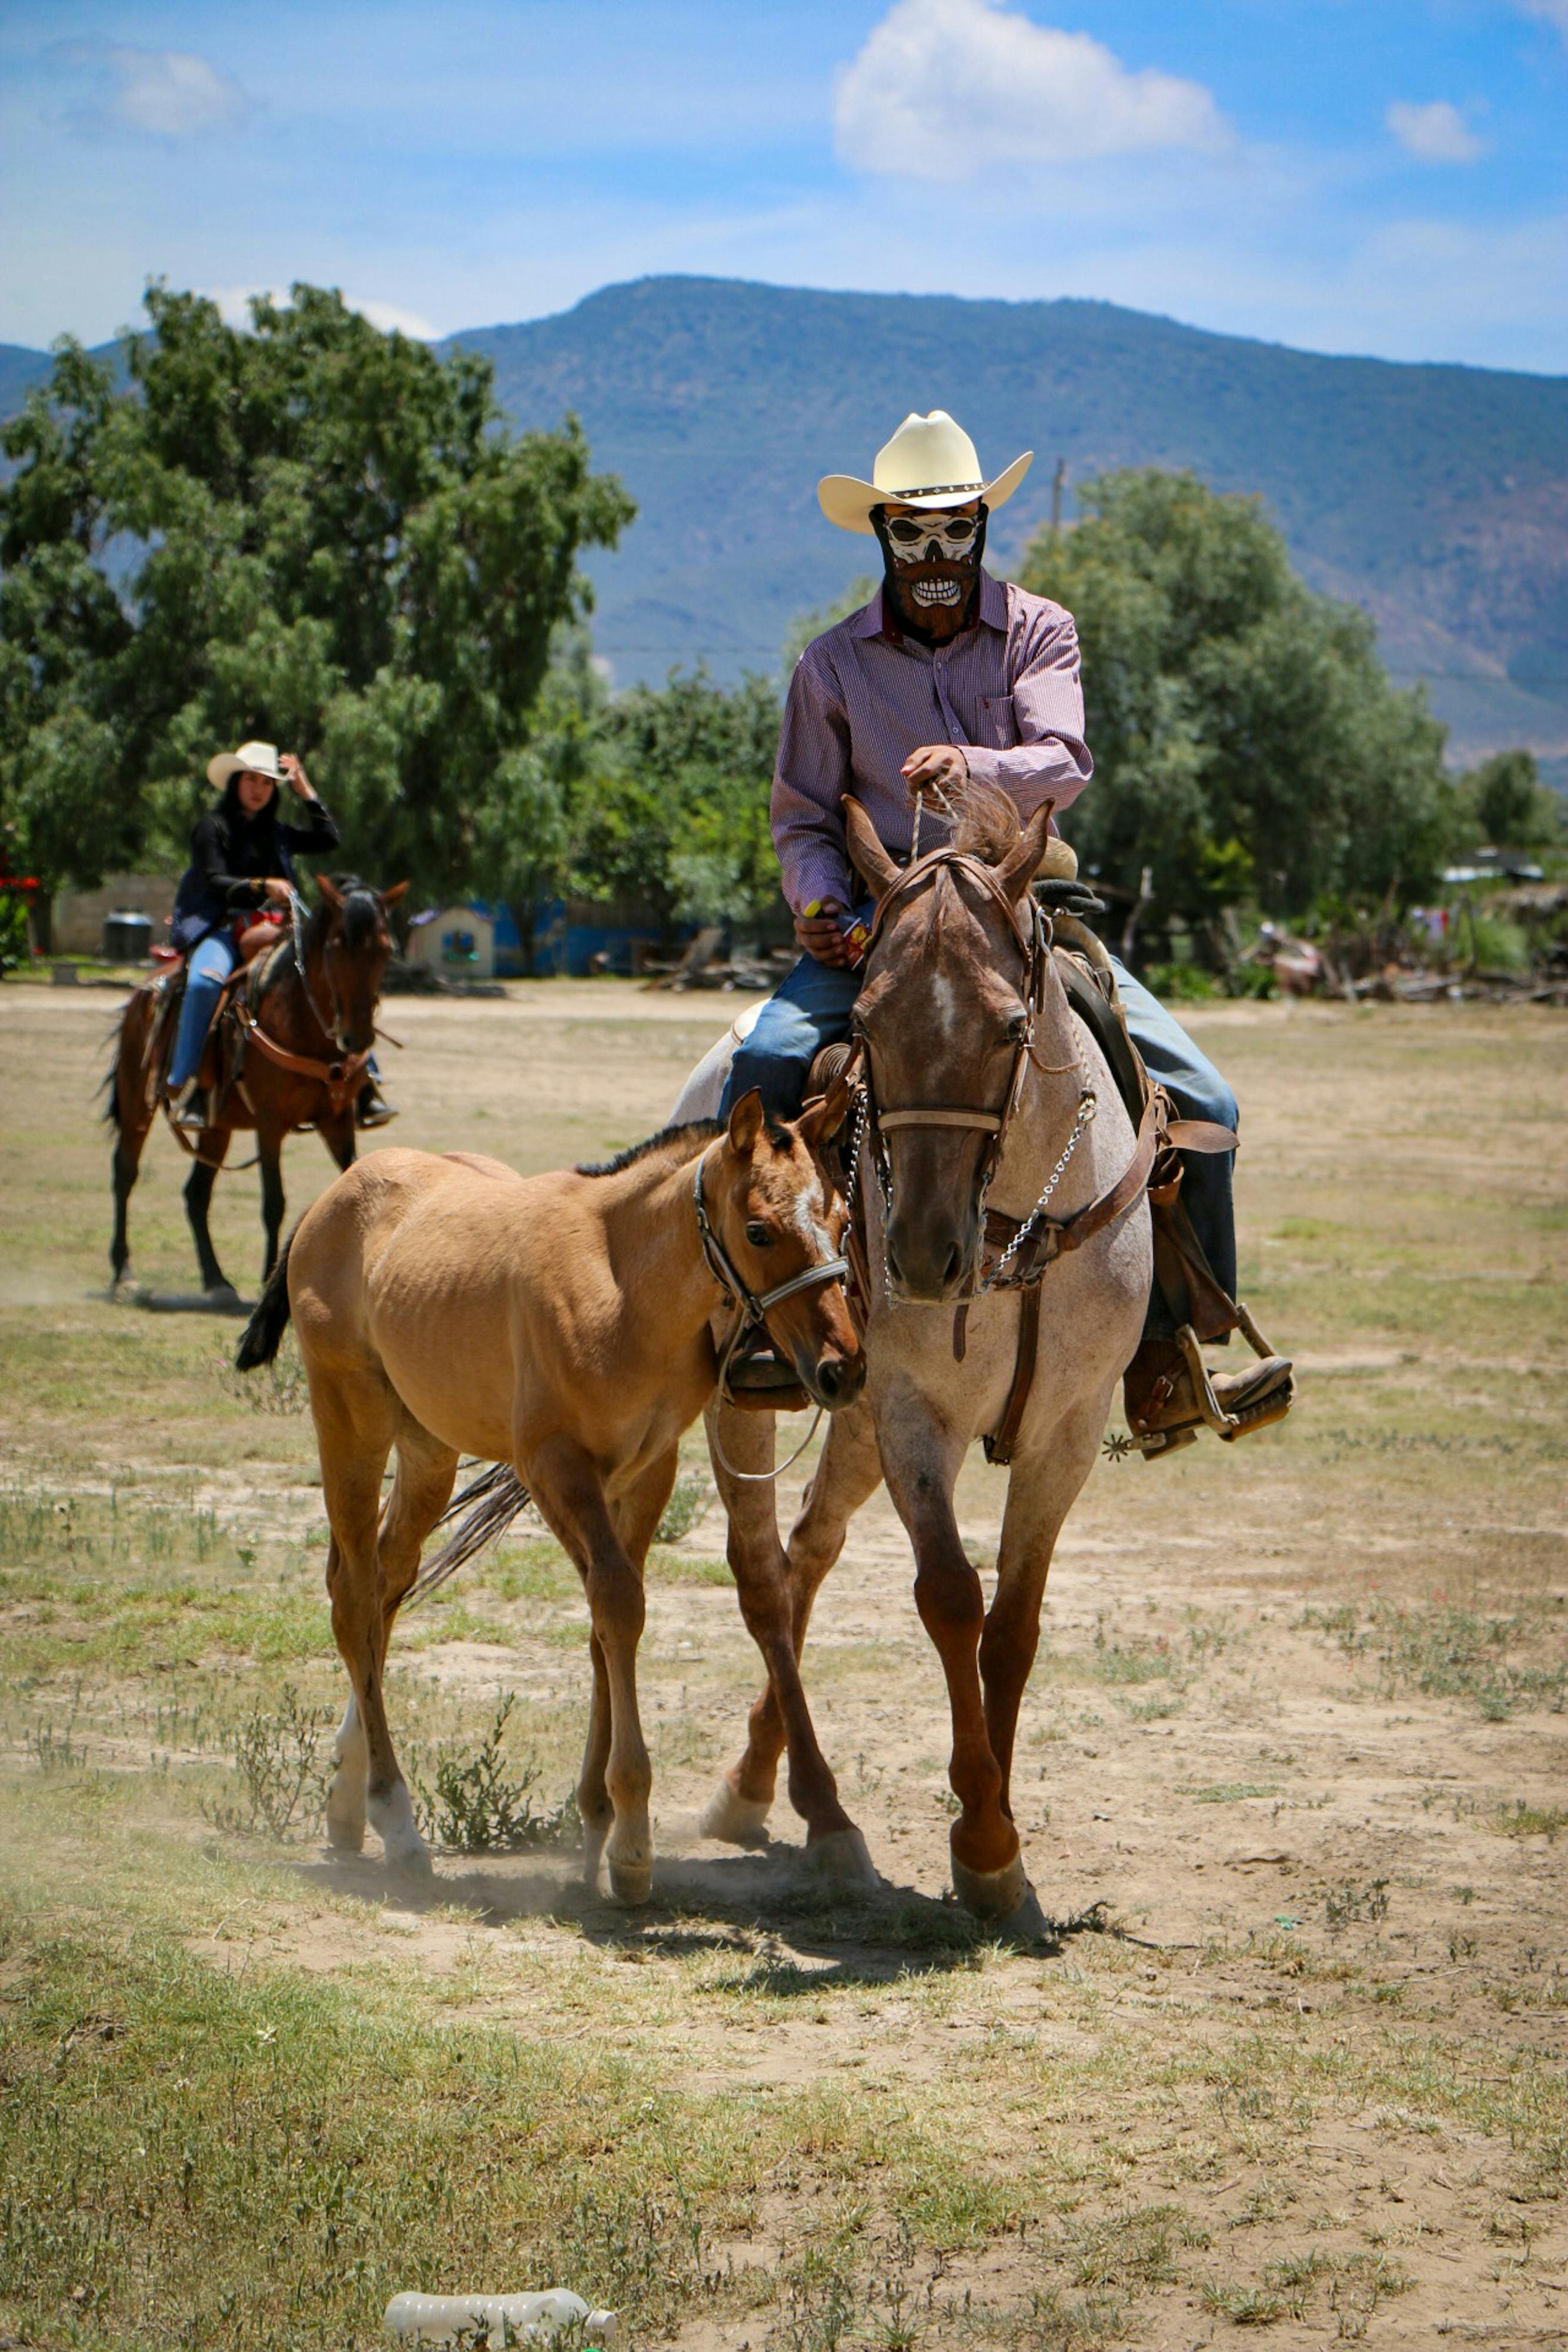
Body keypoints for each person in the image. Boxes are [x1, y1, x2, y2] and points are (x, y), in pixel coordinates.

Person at [721, 410, 1290, 1452]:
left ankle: (1168, 1351)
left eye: (954, 532)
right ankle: (743, 1320)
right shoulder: (829, 666)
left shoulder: (1039, 630)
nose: (934, 557)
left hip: (1021, 911)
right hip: (877, 926)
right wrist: (821, 905)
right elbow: (804, 814)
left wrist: (970, 764)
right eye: (911, 534)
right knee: (761, 1062)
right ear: (881, 534)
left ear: (981, 527)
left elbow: (1063, 757)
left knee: (1204, 1103)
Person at [166, 739, 396, 1131]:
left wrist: (305, 790)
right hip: (222, 930)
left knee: (333, 978)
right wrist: (263, 885)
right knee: (205, 984)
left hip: (279, 929)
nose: (259, 789)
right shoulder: (212, 827)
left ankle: (365, 1082)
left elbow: (328, 838)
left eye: (268, 783)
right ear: (236, 782)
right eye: (252, 780)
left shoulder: (278, 833)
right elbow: (214, 880)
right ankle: (189, 1086)